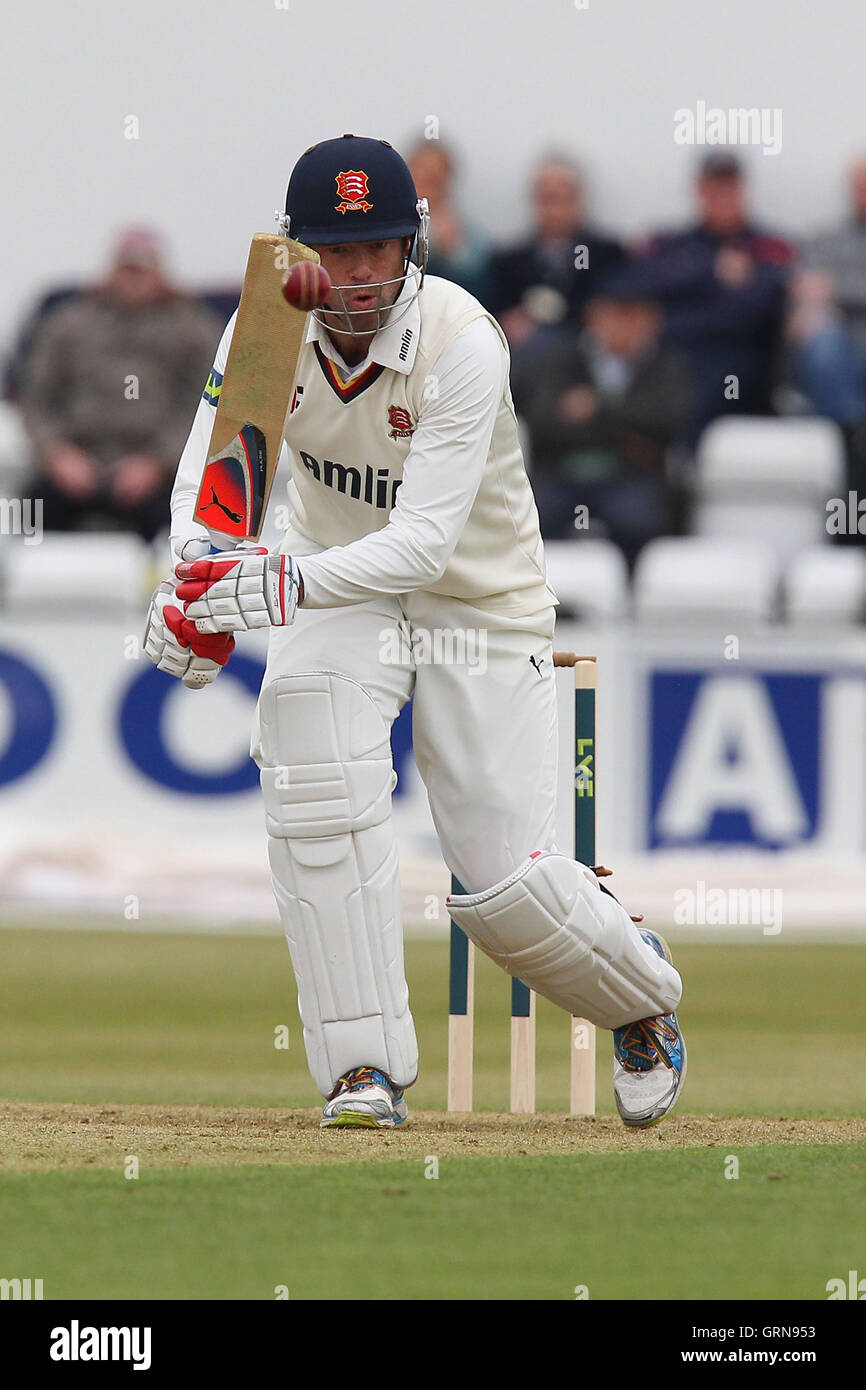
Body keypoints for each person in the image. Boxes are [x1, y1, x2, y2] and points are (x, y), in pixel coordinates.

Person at [144, 135, 685, 1130]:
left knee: (505, 890)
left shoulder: (462, 339)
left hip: (473, 602)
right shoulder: (267, 322)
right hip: (336, 587)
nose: (357, 277)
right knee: (312, 782)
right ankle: (361, 1071)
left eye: (379, 250)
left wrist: (268, 586)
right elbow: (216, 483)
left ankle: (638, 1000)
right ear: (299, 250)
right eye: (337, 253)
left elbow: (424, 547)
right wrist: (190, 580)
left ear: (412, 246)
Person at [18, 229, 221, 542]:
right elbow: (36, 395)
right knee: (24, 515)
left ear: (161, 273)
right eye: (128, 269)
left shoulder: (193, 329)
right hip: (76, 459)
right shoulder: (68, 322)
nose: (135, 280)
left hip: (156, 468)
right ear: (111, 271)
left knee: (186, 529)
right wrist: (56, 453)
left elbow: (204, 403)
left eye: (144, 269)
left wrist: (158, 461)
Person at [514, 271, 692, 562]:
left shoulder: (668, 364)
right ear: (594, 316)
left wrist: (596, 410)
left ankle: (632, 598)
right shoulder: (561, 358)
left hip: (631, 476)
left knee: (638, 520)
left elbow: (668, 421)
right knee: (528, 520)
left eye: (635, 315)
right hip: (563, 473)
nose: (626, 326)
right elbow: (543, 422)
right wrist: (626, 431)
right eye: (616, 314)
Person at [636, 152, 793, 439]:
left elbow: (752, 312)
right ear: (699, 190)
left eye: (729, 187)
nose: (722, 196)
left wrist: (685, 302)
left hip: (742, 364)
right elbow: (645, 288)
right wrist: (712, 272)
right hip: (674, 355)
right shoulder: (669, 244)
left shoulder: (769, 246)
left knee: (705, 389)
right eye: (714, 188)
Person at [492, 155, 625, 357]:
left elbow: (615, 307)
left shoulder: (606, 253)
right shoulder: (510, 261)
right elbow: (496, 315)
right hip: (529, 361)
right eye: (547, 199)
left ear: (579, 200)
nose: (555, 210)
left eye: (563, 198)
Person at [406, 139, 495, 306]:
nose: (427, 189)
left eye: (433, 180)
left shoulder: (471, 237)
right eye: (420, 177)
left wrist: (453, 251)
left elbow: (481, 290)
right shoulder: (391, 229)